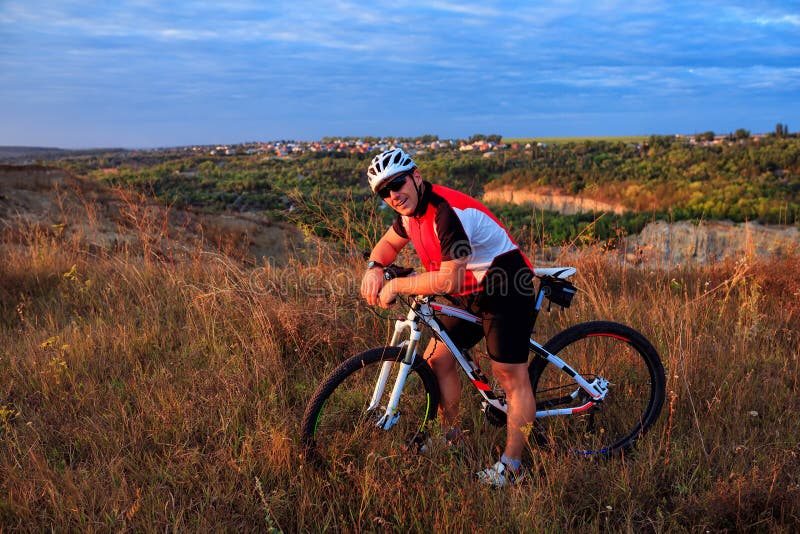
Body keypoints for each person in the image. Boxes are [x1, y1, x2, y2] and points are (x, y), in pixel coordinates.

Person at [360, 148, 537, 488]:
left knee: (510, 377)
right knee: (438, 361)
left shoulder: (445, 212)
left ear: (416, 177)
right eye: (384, 191)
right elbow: (388, 244)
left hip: (506, 289)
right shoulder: (410, 214)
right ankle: (451, 436)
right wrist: (375, 266)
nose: (393, 195)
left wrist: (397, 283)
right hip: (470, 294)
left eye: (397, 183)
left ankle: (513, 466)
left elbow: (448, 280)